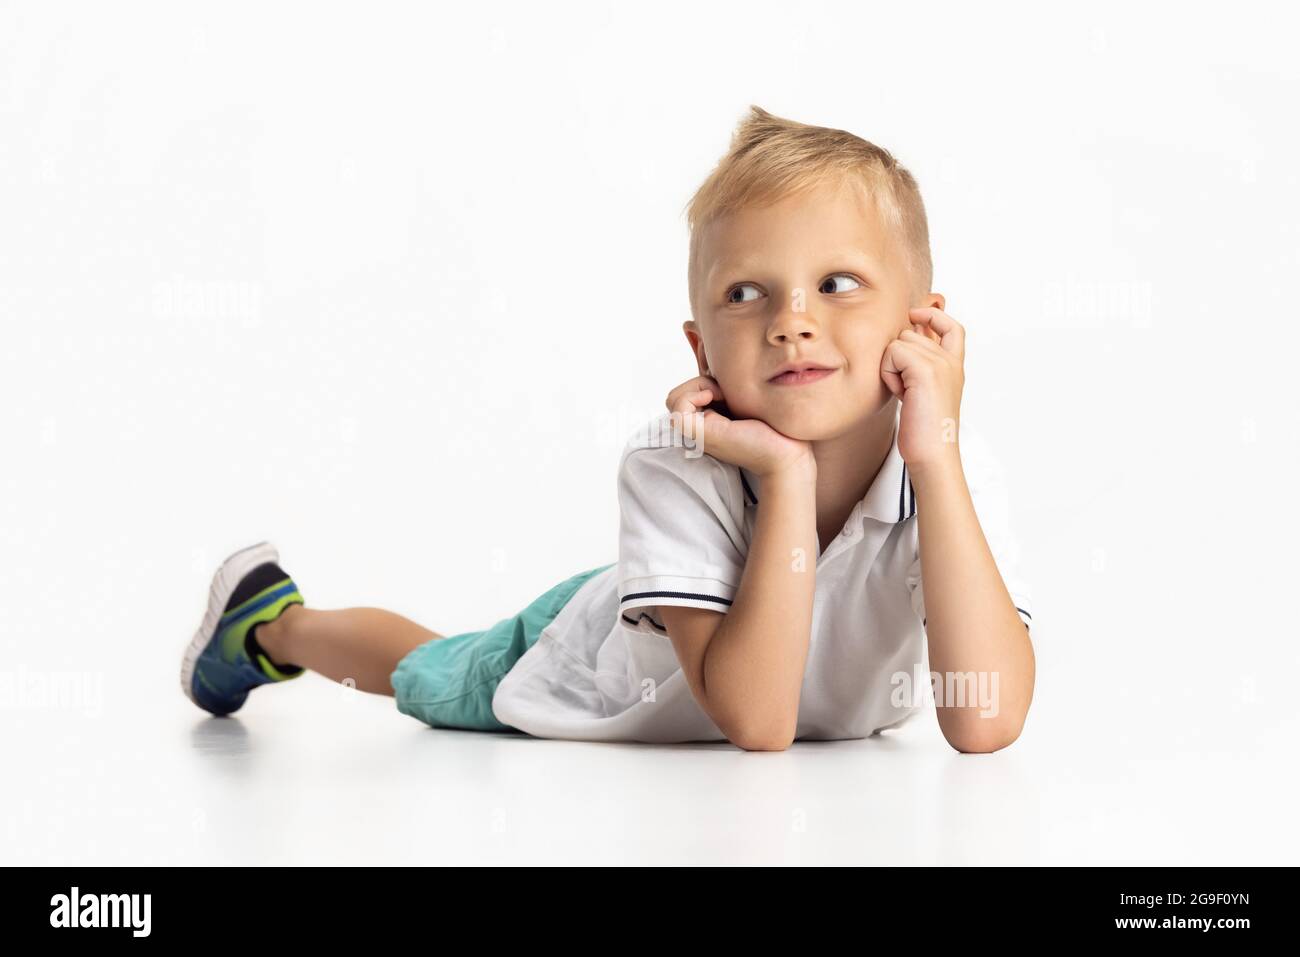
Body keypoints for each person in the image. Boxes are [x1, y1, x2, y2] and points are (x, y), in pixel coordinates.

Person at [180, 105, 1036, 753]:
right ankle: (270, 621)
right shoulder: (674, 465)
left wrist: (935, 460)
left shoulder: (950, 469)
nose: (791, 321)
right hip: (592, 654)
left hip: (686, 584)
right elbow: (760, 722)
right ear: (701, 346)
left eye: (839, 282)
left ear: (923, 327)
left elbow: (986, 718)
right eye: (746, 293)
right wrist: (785, 479)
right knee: (433, 672)